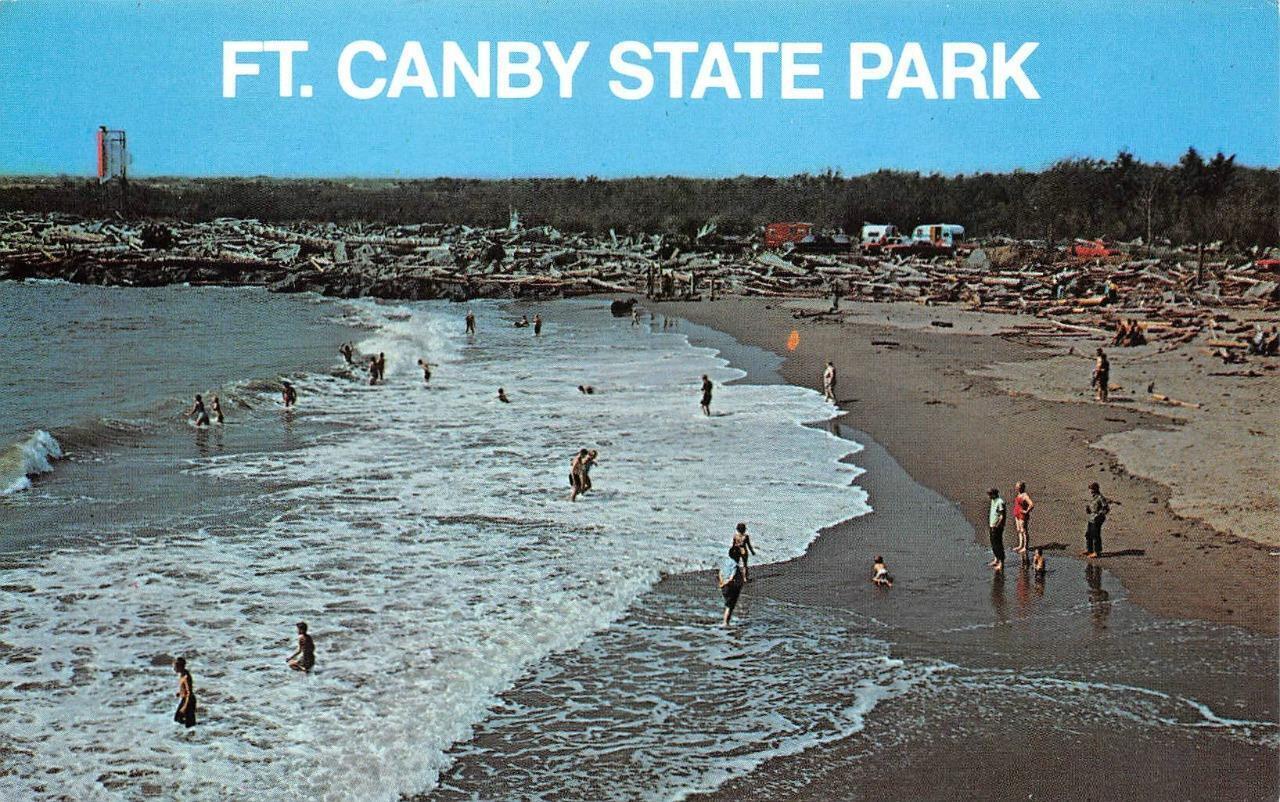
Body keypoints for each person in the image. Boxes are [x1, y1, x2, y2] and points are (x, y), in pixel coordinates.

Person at [718, 545, 746, 625]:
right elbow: (732, 578)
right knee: (730, 606)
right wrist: (725, 583)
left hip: (725, 586)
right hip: (732, 587)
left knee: (728, 605)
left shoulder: (725, 562)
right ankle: (725, 623)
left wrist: (721, 582)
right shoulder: (735, 565)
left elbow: (720, 573)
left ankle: (726, 622)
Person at [1083, 481, 1110, 558]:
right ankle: (1089, 550)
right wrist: (1088, 510)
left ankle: (1097, 552)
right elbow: (1093, 508)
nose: (1090, 491)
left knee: (1095, 535)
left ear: (1095, 489)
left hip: (1097, 519)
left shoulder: (1100, 497)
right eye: (1090, 489)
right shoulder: (1093, 497)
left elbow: (1106, 508)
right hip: (1091, 518)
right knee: (1088, 534)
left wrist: (1099, 514)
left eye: (1091, 489)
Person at [173, 657, 197, 728]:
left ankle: (196, 731)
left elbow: (189, 693)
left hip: (189, 700)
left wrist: (185, 706)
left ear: (180, 666)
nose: (174, 669)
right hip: (184, 699)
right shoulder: (182, 675)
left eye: (175, 667)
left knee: (189, 724)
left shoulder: (186, 677)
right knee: (177, 718)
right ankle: (185, 732)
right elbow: (185, 689)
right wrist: (180, 693)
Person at [1012, 481, 1034, 556]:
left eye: (1018, 487)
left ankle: (1025, 547)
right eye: (1016, 487)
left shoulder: (1025, 495)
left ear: (1022, 487)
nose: (1016, 488)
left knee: (1024, 530)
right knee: (1019, 530)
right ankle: (1020, 545)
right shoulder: (1019, 494)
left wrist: (1027, 511)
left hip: (1022, 515)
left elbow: (1031, 504)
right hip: (1017, 514)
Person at [987, 487, 1006, 572]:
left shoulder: (1000, 502)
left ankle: (1001, 563)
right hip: (992, 525)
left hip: (997, 527)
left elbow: (1002, 516)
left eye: (990, 495)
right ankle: (996, 559)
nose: (989, 497)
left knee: (998, 544)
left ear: (994, 494)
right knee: (993, 544)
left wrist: (997, 526)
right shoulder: (993, 501)